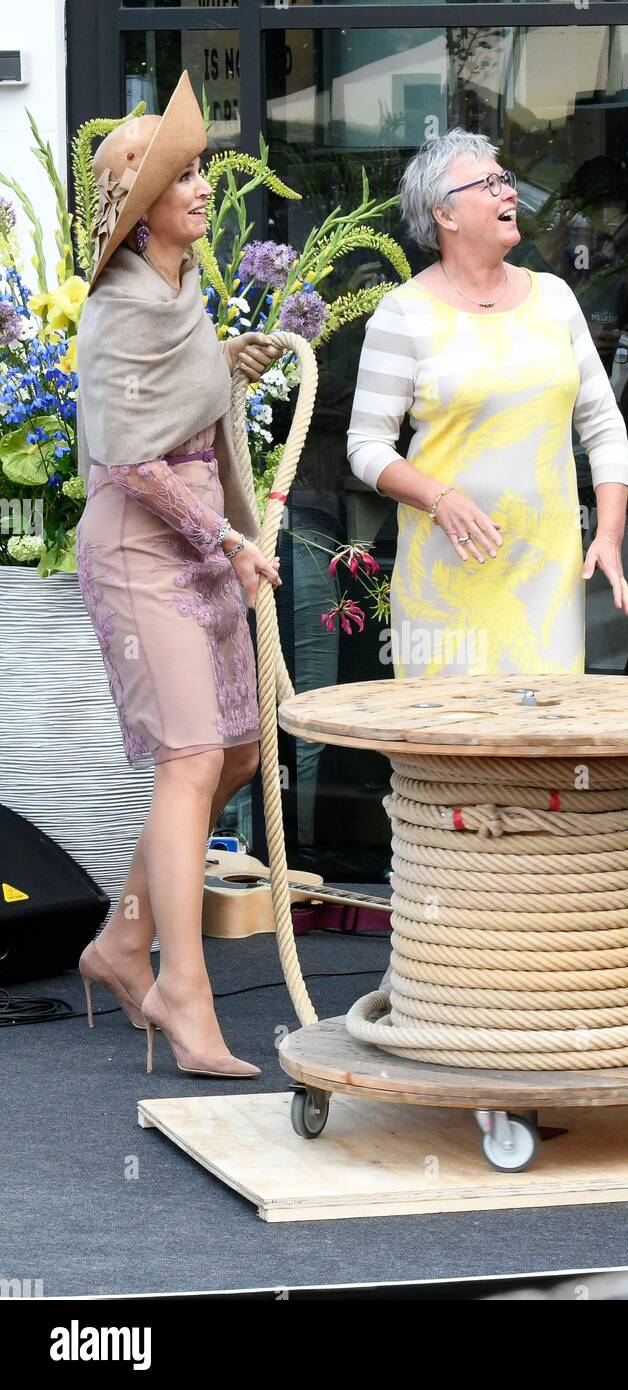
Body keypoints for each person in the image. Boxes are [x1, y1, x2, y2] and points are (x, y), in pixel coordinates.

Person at [74, 71, 283, 1078]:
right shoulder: (118, 311)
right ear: (140, 208)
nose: (204, 189)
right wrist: (234, 541)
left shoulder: (181, 289)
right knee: (191, 758)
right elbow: (129, 460)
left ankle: (120, 938)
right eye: (185, 177)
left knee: (234, 755)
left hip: (196, 538)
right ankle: (178, 990)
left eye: (200, 172)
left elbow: (178, 404)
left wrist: (222, 368)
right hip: (141, 545)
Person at [346, 128, 628, 678]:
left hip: (546, 580)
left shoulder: (555, 298)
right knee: (450, 757)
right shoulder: (403, 314)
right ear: (445, 216)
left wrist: (610, 535)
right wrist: (439, 498)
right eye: (489, 183)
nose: (509, 193)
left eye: (506, 180)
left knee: (541, 751)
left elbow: (603, 426)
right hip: (445, 586)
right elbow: (365, 447)